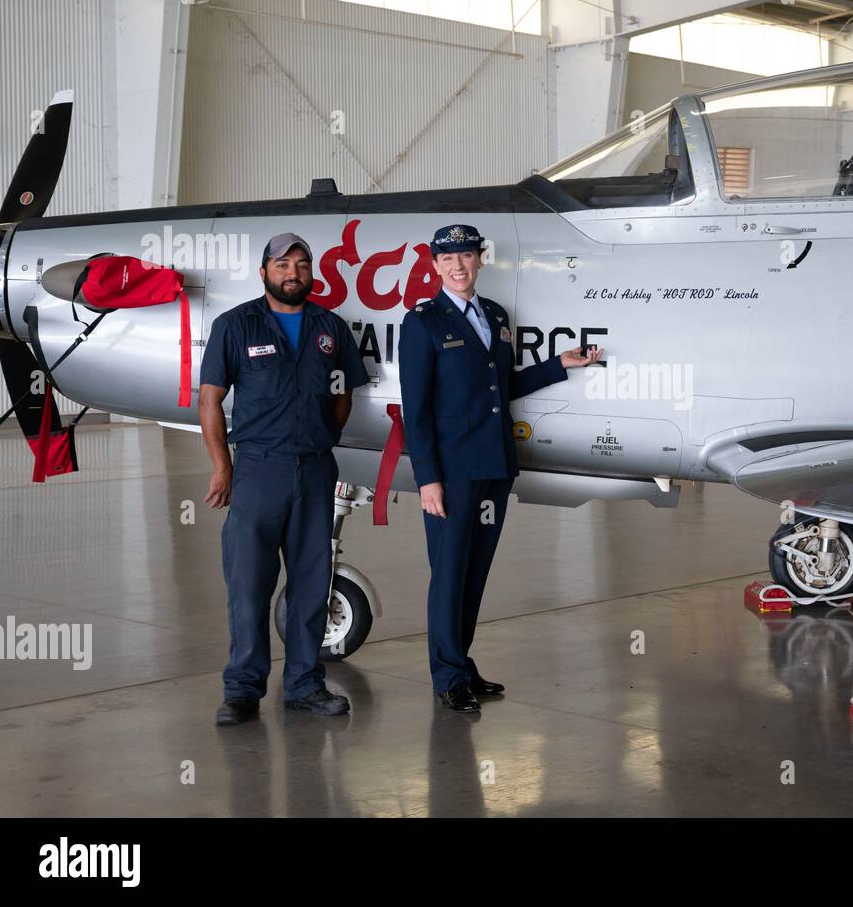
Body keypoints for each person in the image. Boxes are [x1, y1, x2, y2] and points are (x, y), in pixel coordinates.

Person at [399, 223, 601, 713]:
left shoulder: (493, 315)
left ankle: (461, 665)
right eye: (447, 259)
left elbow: (499, 386)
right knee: (448, 575)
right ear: (434, 265)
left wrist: (559, 365)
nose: (458, 266)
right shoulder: (422, 322)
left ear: (480, 260)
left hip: (494, 465)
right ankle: (447, 678)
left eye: (466, 256)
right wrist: (427, 479)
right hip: (451, 472)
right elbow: (416, 409)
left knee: (474, 573)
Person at [199, 232, 370, 725]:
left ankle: (303, 685)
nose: (292, 273)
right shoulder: (235, 326)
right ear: (264, 271)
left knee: (311, 584)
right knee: (248, 584)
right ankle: (242, 691)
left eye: (301, 264)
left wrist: (325, 435)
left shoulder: (331, 327)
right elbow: (209, 400)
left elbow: (343, 394)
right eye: (282, 265)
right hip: (258, 469)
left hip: (316, 469)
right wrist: (222, 467)